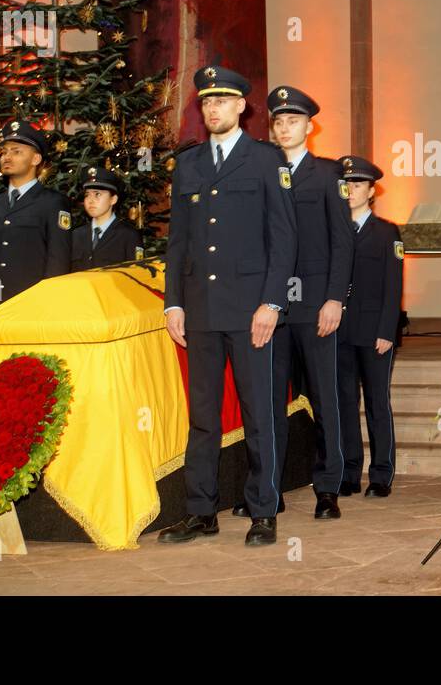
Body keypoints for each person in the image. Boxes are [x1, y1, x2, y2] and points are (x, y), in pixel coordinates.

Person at [159, 65, 298, 547]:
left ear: (242, 106)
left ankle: (263, 510)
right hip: (199, 310)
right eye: (206, 102)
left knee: (259, 411)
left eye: (222, 100)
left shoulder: (265, 160)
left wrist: (271, 304)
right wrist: (172, 303)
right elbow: (177, 243)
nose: (212, 108)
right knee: (202, 416)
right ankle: (201, 511)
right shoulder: (190, 164)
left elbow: (284, 240)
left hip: (250, 311)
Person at [249, 86, 355, 521]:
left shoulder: (328, 176)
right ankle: (266, 491)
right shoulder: (260, 173)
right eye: (278, 121)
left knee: (324, 398)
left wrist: (335, 299)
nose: (284, 127)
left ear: (309, 127)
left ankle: (328, 487)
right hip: (270, 308)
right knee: (268, 402)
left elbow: (342, 244)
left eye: (292, 120)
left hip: (314, 305)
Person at [0, 120, 72, 336]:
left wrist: (50, 307)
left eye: (17, 151)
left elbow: (58, 260)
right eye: (4, 151)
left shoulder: (52, 202)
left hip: (31, 308)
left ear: (35, 159)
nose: (7, 157)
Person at [335, 156, 403, 498]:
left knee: (377, 401)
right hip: (340, 331)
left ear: (371, 191)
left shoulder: (387, 232)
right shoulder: (333, 229)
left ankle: (380, 474)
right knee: (345, 401)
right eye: (347, 184)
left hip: (374, 331)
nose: (351, 191)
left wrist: (387, 331)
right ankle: (349, 471)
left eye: (358, 185)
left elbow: (394, 286)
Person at [70, 165, 143, 271]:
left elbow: (136, 274)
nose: (90, 200)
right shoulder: (76, 235)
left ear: (113, 199)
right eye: (87, 195)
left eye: (97, 194)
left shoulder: (128, 235)